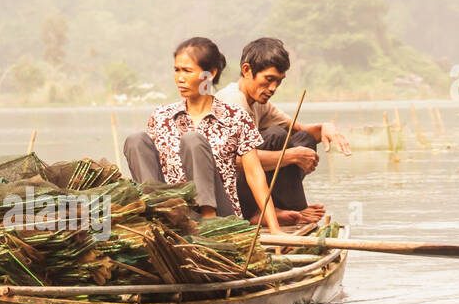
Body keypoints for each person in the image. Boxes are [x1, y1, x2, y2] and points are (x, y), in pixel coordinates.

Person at [122, 36, 306, 231]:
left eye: (187, 71)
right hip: (174, 215)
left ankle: (208, 223)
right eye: (177, 70)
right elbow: (150, 168)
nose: (180, 78)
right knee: (135, 140)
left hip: (220, 215)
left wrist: (275, 229)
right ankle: (155, 220)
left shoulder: (235, 116)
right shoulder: (161, 116)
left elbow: (254, 174)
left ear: (209, 74)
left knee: (193, 140)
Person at [213, 37, 351, 225]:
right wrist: (291, 156)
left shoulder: (259, 102)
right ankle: (261, 214)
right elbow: (232, 161)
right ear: (247, 70)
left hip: (251, 183)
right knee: (276, 136)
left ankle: (283, 209)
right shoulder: (232, 101)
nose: (273, 88)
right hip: (228, 196)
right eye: (269, 80)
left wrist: (326, 127)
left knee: (304, 139)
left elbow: (301, 130)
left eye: (278, 82)